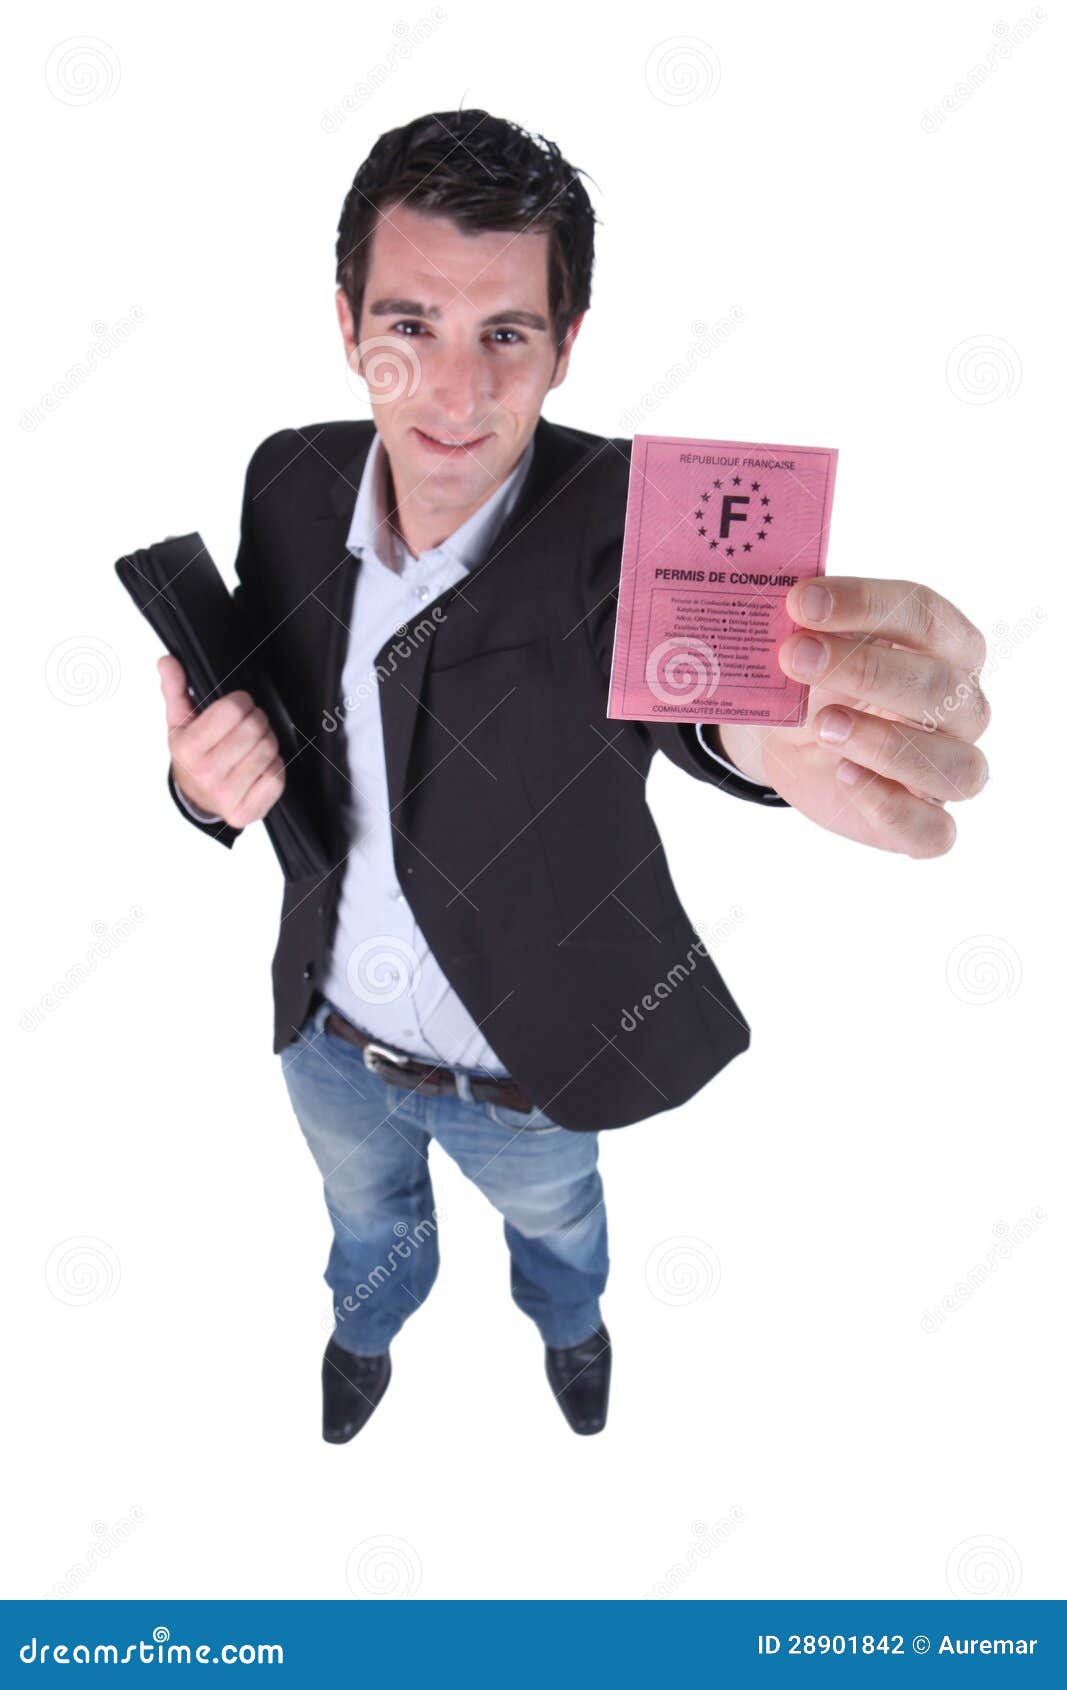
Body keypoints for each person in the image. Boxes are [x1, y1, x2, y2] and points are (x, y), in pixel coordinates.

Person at [157, 109, 990, 1442]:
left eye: (508, 335)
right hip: (327, 1036)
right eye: (410, 324)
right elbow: (253, 711)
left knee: (561, 1233)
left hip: (528, 1069)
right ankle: (367, 1336)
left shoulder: (624, 520)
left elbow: (698, 699)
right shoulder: (292, 477)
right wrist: (202, 785)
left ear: (567, 345)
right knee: (366, 1230)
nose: (454, 391)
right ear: (344, 320)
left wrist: (773, 738)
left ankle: (570, 1329)